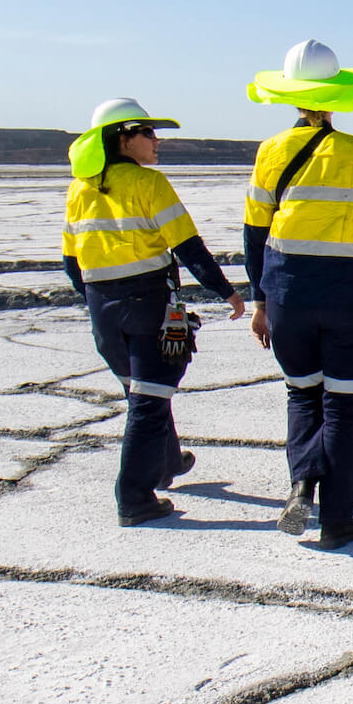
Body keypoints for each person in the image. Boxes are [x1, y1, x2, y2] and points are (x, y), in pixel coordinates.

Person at [243, 41, 353, 551]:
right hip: (345, 298)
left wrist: (261, 300)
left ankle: (302, 484)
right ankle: (337, 519)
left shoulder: (269, 152)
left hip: (286, 292)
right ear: (334, 97)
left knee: (302, 394)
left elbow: (254, 234)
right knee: (344, 406)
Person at [62, 99, 244, 525]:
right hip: (147, 307)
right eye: (147, 133)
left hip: (103, 311)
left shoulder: (80, 189)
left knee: (144, 391)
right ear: (122, 139)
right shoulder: (150, 184)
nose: (156, 141)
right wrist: (227, 292)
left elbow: (73, 263)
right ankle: (135, 498)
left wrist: (94, 300)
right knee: (148, 401)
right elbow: (187, 247)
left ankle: (166, 464)